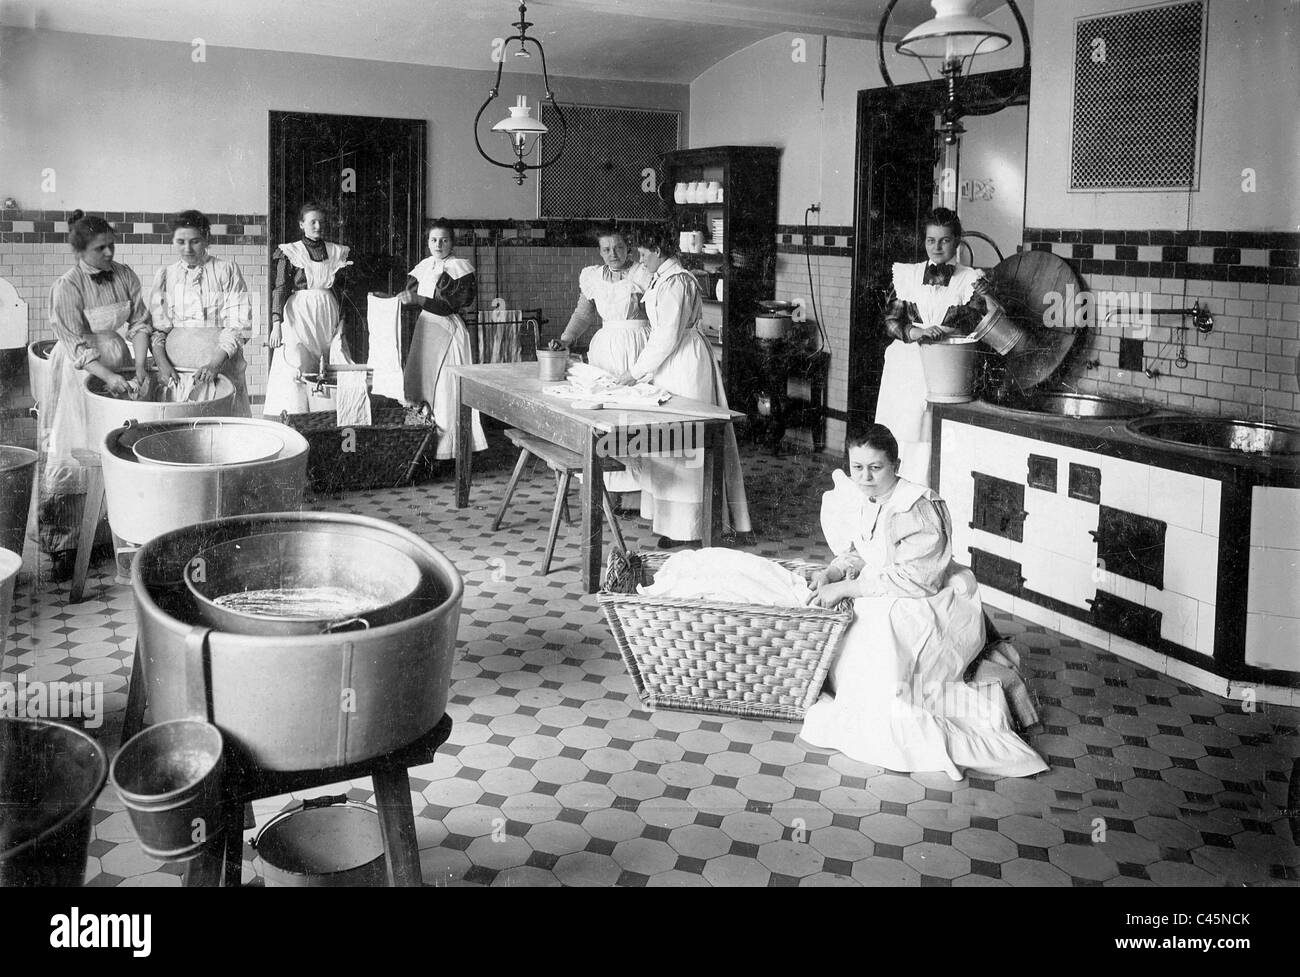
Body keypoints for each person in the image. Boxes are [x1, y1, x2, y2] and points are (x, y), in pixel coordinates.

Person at [800, 422, 1047, 779]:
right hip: (894, 584)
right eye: (858, 468)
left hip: (931, 595)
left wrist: (847, 589)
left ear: (896, 465)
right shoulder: (869, 500)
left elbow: (917, 579)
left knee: (881, 626)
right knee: (860, 617)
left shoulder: (917, 506)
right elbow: (864, 552)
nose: (866, 477)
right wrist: (833, 574)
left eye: (876, 467)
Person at [613, 225, 751, 548]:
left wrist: (635, 372)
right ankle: (674, 526)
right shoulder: (663, 278)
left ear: (659, 251)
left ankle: (692, 528)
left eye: (644, 253)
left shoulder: (677, 282)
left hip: (684, 364)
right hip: (671, 363)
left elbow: (667, 336)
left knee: (688, 443)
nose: (640, 258)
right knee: (671, 445)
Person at [39, 210, 153, 581]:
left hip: (117, 360)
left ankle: (104, 535)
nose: (109, 254)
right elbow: (75, 345)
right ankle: (64, 548)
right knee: (73, 449)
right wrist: (106, 377)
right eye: (100, 249)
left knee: (114, 446)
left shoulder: (124, 275)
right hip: (78, 372)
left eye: (111, 246)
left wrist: (137, 369)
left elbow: (139, 323)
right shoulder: (67, 286)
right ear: (80, 252)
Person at [874, 207, 999, 485]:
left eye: (944, 240)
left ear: (957, 241)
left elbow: (975, 320)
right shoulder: (908, 274)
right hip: (906, 366)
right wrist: (915, 331)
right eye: (931, 240)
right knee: (900, 433)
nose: (937, 247)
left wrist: (945, 328)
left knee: (931, 438)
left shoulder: (970, 279)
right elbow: (890, 321)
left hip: (946, 366)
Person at [558, 223, 649, 495]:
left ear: (628, 247)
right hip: (604, 348)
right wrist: (565, 340)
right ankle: (607, 485)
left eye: (619, 247)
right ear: (599, 251)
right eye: (606, 249)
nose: (613, 254)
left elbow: (657, 312)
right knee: (604, 412)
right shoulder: (593, 276)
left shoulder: (641, 273)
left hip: (637, 345)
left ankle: (640, 489)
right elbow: (584, 314)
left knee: (635, 414)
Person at [148, 210, 253, 417]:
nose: (187, 248)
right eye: (180, 241)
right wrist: (162, 363)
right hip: (175, 372)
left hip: (220, 366)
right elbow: (158, 328)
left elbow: (239, 323)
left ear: (207, 239)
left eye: (195, 241)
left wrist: (215, 363)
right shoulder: (166, 275)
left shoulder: (226, 270)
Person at [399, 217, 487, 460]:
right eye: (434, 240)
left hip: (448, 331)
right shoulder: (425, 266)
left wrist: (417, 300)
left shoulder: (459, 267)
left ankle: (450, 449)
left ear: (452, 242)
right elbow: (412, 294)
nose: (438, 244)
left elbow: (450, 304)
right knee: (425, 385)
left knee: (445, 388)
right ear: (428, 242)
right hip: (426, 329)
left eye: (444, 240)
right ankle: (426, 446)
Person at [263, 201, 352, 417]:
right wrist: (276, 326)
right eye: (313, 222)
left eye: (321, 222)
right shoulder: (291, 251)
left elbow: (343, 291)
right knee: (295, 364)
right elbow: (280, 289)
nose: (318, 226)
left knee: (327, 365)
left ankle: (321, 418)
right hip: (298, 316)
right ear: (302, 224)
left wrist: (342, 319)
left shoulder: (335, 251)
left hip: (326, 314)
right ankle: (294, 419)